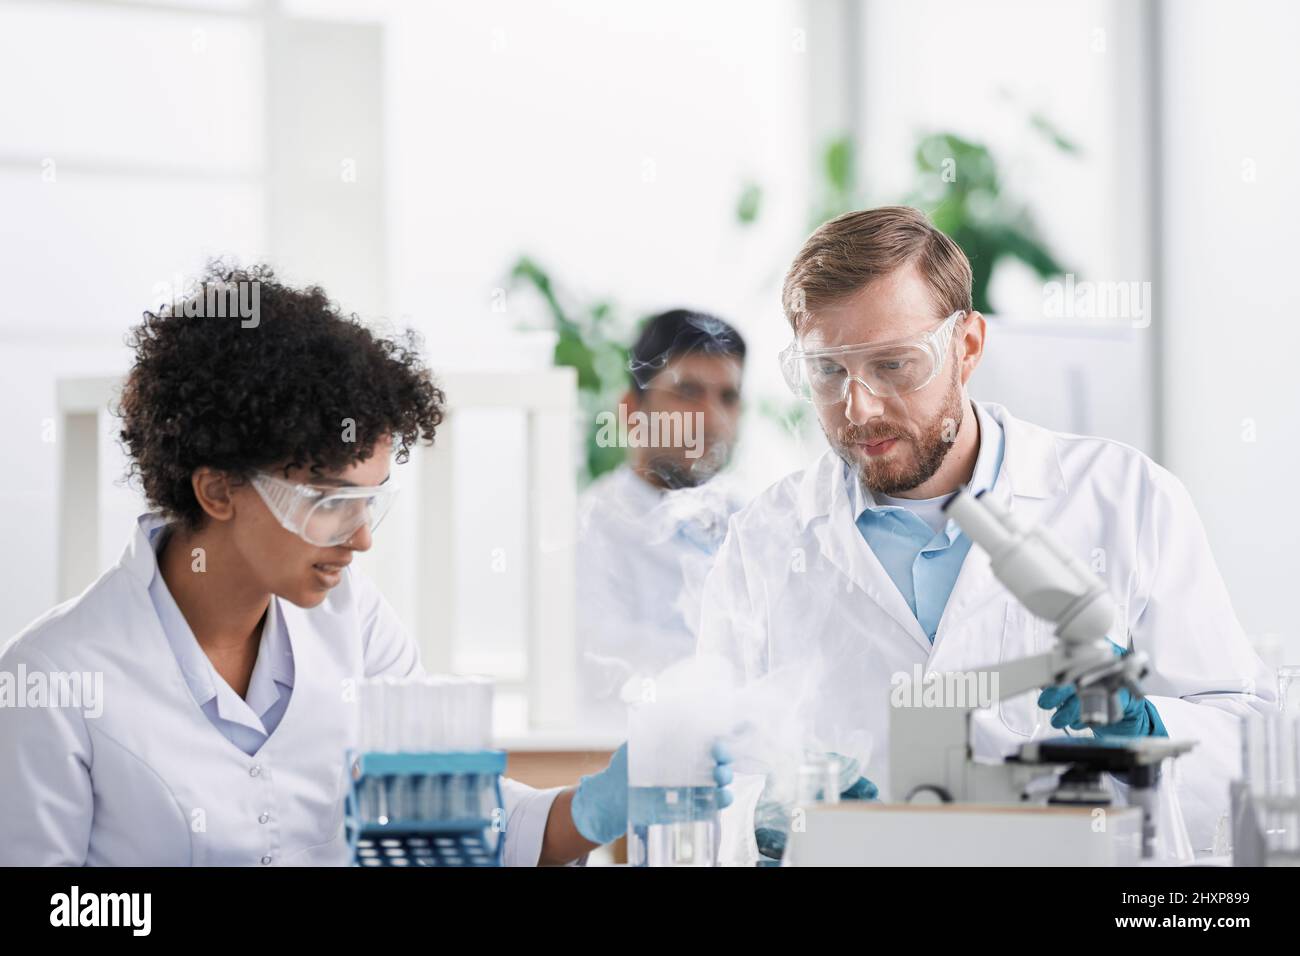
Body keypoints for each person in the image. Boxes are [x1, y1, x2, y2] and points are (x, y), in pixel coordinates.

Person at [0, 264, 731, 866]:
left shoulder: (354, 625)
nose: (359, 540)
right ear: (217, 489)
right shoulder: (53, 680)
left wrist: (605, 804)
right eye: (327, 501)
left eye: (369, 501)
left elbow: (480, 826)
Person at [697, 206, 1274, 863]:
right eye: (828, 371)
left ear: (967, 346)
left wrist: (1150, 730)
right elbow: (716, 768)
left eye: (893, 365)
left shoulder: (1128, 498)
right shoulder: (764, 542)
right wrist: (766, 819)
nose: (859, 407)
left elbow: (1248, 739)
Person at [576, 309, 746, 726]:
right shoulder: (589, 529)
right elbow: (605, 670)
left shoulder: (754, 524)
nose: (712, 419)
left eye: (727, 397)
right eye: (688, 392)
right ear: (632, 411)